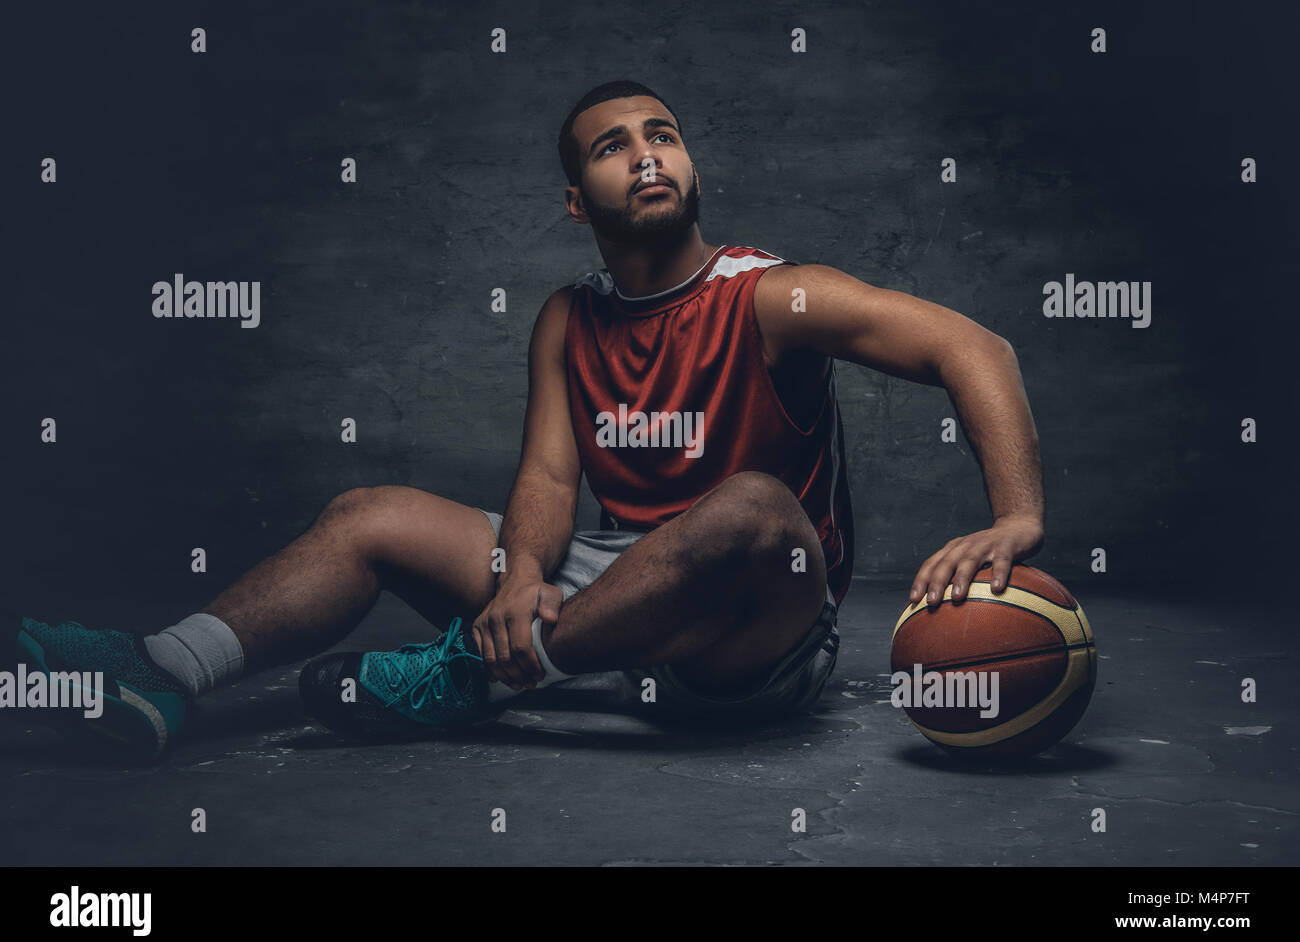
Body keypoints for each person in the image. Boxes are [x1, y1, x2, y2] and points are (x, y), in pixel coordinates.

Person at [5, 80, 1045, 761]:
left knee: (759, 509)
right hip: (609, 583)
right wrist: (519, 578)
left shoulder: (775, 297)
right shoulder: (566, 317)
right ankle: (167, 669)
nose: (646, 155)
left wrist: (1014, 516)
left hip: (755, 621)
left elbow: (976, 349)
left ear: (689, 169)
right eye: (612, 145)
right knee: (370, 510)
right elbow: (548, 481)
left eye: (663, 136)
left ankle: (483, 675)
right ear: (573, 198)